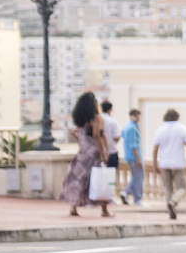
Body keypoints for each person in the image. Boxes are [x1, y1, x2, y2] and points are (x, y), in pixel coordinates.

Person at [61, 91, 109, 219]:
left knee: (79, 180)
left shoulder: (80, 119)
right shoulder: (96, 118)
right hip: (93, 153)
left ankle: (73, 206)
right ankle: (104, 209)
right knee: (99, 180)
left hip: (82, 153)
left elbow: (76, 135)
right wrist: (103, 152)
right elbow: (97, 135)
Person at [151, 107, 186, 220]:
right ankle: (173, 202)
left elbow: (155, 149)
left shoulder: (160, 130)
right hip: (178, 163)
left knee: (168, 188)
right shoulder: (182, 129)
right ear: (177, 117)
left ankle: (169, 209)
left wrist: (154, 164)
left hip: (164, 163)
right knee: (181, 187)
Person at [118, 104, 145, 206]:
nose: (137, 117)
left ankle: (126, 192)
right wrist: (138, 158)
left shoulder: (127, 127)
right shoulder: (132, 128)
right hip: (134, 156)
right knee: (139, 178)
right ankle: (137, 199)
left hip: (129, 156)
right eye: (135, 115)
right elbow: (133, 145)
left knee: (136, 177)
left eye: (138, 115)